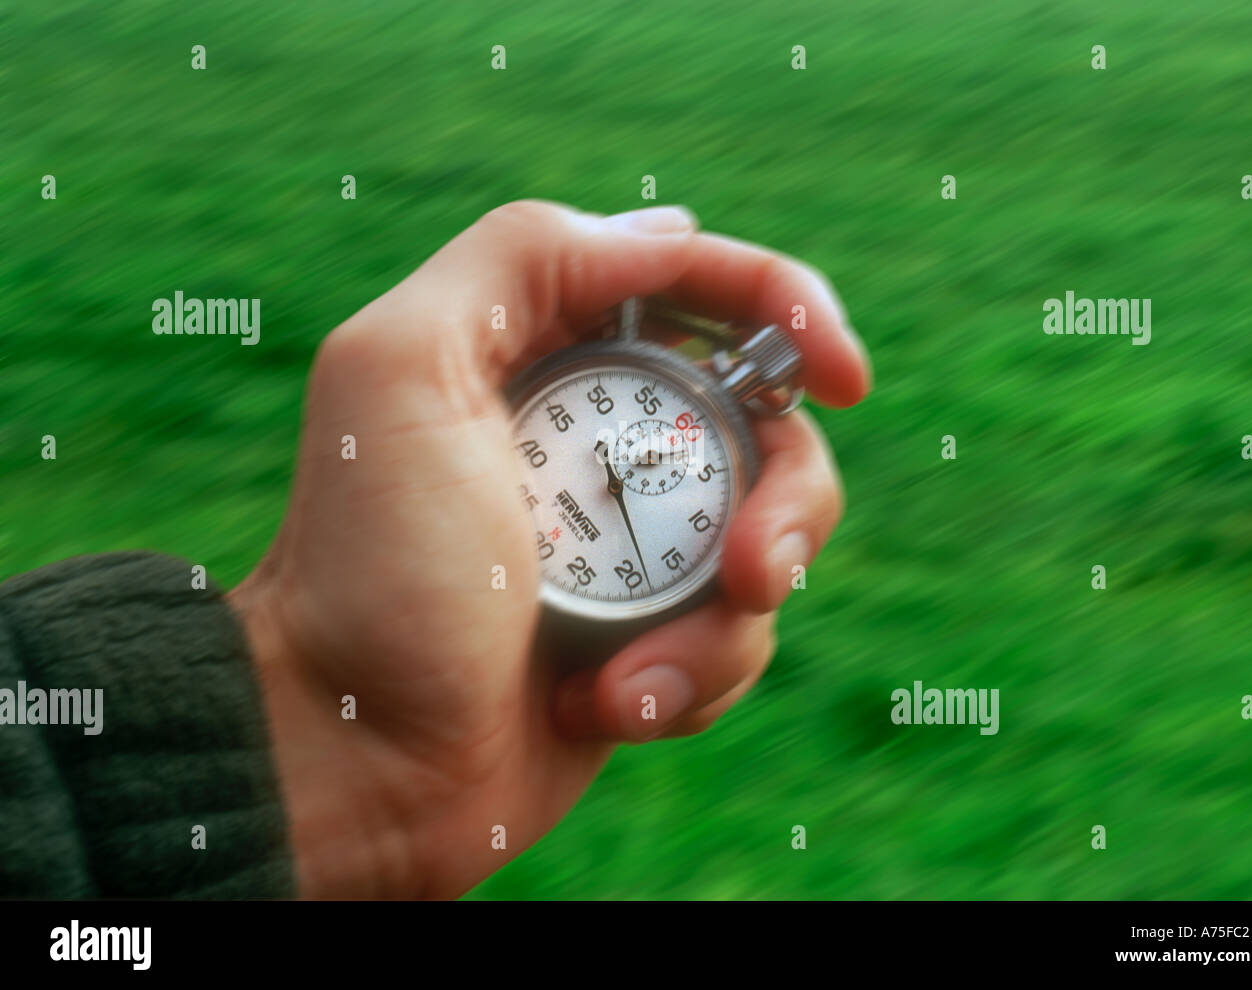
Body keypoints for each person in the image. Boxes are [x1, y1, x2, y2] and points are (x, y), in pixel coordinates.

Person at [0, 202, 871, 899]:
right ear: (589, 381)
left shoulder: (713, 455)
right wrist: (311, 703)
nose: (608, 485)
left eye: (675, 503)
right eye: (579, 424)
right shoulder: (615, 380)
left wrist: (325, 731)